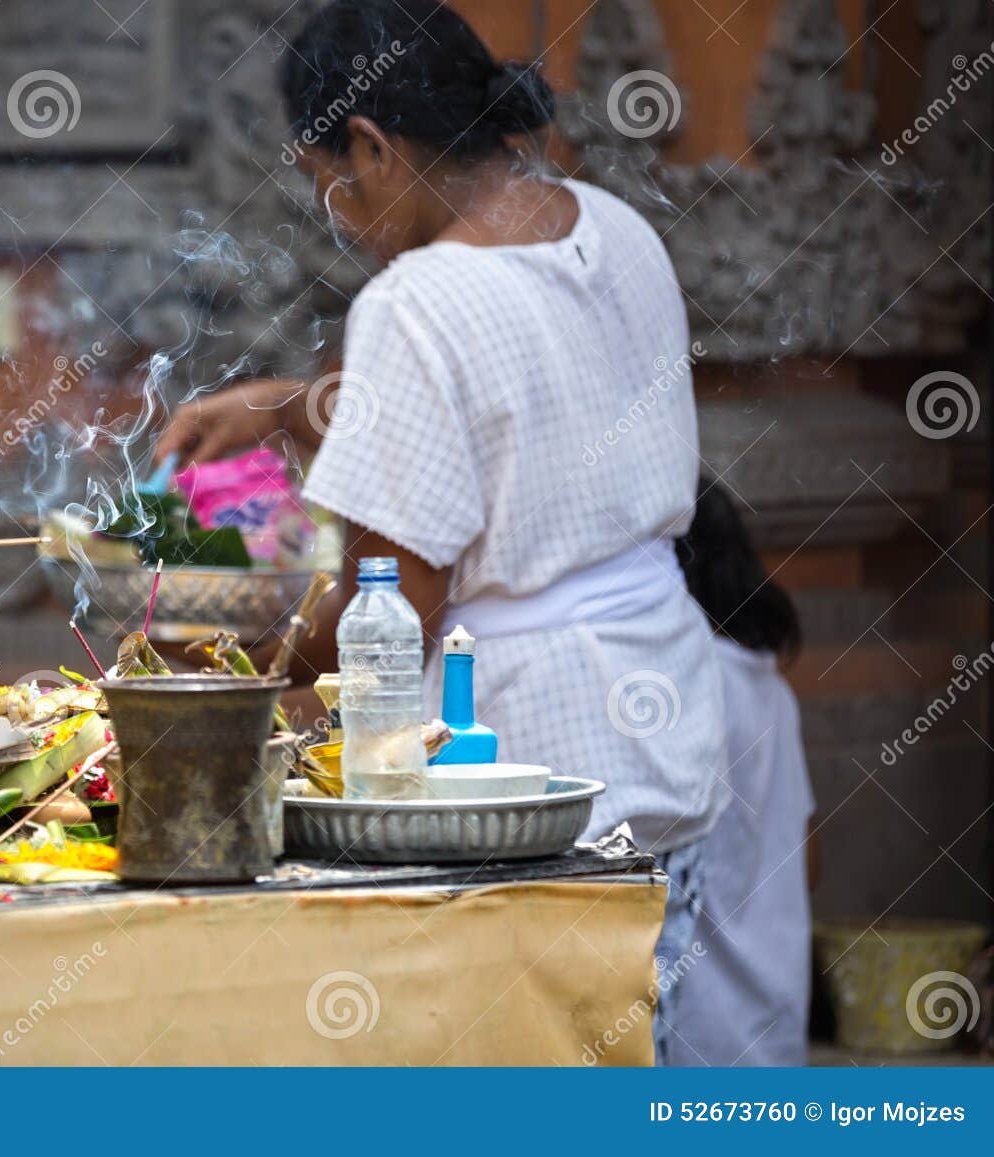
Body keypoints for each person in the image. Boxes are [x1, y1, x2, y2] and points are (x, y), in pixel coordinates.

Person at [154, 0, 727, 1063]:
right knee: (638, 1046)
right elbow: (529, 385)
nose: (332, 209)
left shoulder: (412, 301)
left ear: (370, 147)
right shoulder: (613, 226)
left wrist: (214, 657)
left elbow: (390, 615)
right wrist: (293, 406)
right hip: (663, 718)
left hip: (521, 769)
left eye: (326, 178)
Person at [667, 482, 814, 1065]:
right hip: (775, 1012)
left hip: (699, 1024)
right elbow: (812, 855)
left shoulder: (686, 684)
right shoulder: (772, 689)